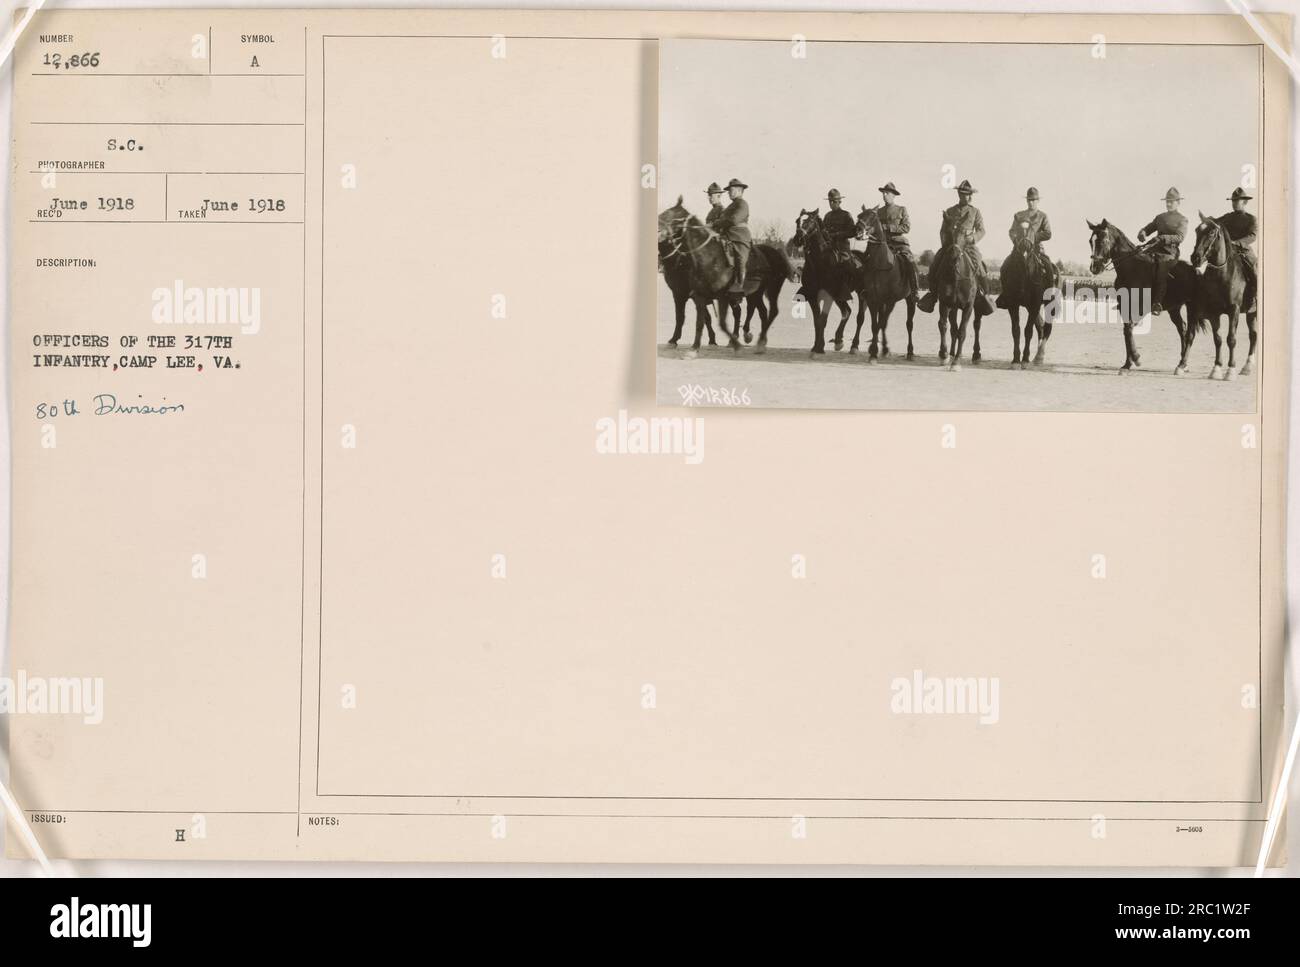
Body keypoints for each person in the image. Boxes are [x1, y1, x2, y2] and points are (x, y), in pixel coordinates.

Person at [918, 179, 993, 315]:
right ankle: (933, 294)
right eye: (966, 194)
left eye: (970, 194)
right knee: (936, 263)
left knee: (980, 266)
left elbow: (982, 230)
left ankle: (983, 295)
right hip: (951, 246)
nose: (969, 197)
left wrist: (973, 238)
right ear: (959, 195)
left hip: (968, 246)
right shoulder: (950, 211)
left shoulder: (975, 212)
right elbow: (942, 231)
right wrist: (947, 244)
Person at [996, 186, 1053, 309]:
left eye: (1034, 200)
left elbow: (1048, 233)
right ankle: (1006, 294)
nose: (1031, 202)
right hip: (1019, 248)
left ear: (1038, 201)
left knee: (1048, 267)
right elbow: (1012, 231)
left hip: (1036, 248)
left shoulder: (1043, 216)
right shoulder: (1019, 215)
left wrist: (1032, 238)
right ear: (1026, 201)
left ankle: (1049, 296)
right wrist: (1017, 241)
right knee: (1005, 266)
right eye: (1029, 200)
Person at [1137, 187, 1188, 315]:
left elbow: (1180, 237)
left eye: (1172, 201)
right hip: (1154, 250)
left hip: (1170, 253)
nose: (1169, 204)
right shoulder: (1160, 217)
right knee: (1137, 260)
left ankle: (1157, 303)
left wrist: (1163, 237)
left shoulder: (1182, 219)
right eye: (1167, 201)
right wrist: (1142, 232)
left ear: (1178, 203)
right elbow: (1148, 228)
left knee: (1161, 268)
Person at [872, 181, 918, 298]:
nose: (884, 195)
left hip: (898, 243)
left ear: (893, 195)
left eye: (887, 193)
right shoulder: (878, 211)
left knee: (910, 261)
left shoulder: (901, 209)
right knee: (867, 259)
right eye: (883, 193)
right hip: (883, 244)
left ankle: (914, 290)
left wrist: (888, 227)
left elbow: (906, 227)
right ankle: (866, 289)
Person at [1217, 186, 1257, 313]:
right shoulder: (1227, 217)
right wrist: (1207, 220)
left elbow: (1252, 236)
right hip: (1228, 252)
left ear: (1244, 202)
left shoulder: (1251, 219)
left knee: (1255, 272)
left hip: (1244, 252)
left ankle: (1254, 298)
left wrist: (1237, 243)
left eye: (1237, 201)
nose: (1234, 203)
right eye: (1233, 201)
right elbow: (1215, 223)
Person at [712, 177, 752, 291]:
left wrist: (717, 223)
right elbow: (723, 219)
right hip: (726, 235)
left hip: (739, 236)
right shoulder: (730, 206)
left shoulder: (743, 204)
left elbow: (734, 220)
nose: (729, 192)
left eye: (732, 190)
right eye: (729, 190)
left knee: (740, 257)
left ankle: (739, 285)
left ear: (740, 191)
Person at [823, 188, 856, 262]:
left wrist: (837, 234)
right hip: (828, 248)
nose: (831, 203)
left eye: (834, 201)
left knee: (847, 267)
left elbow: (853, 232)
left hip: (842, 249)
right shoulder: (827, 216)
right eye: (830, 201)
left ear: (839, 202)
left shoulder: (846, 215)